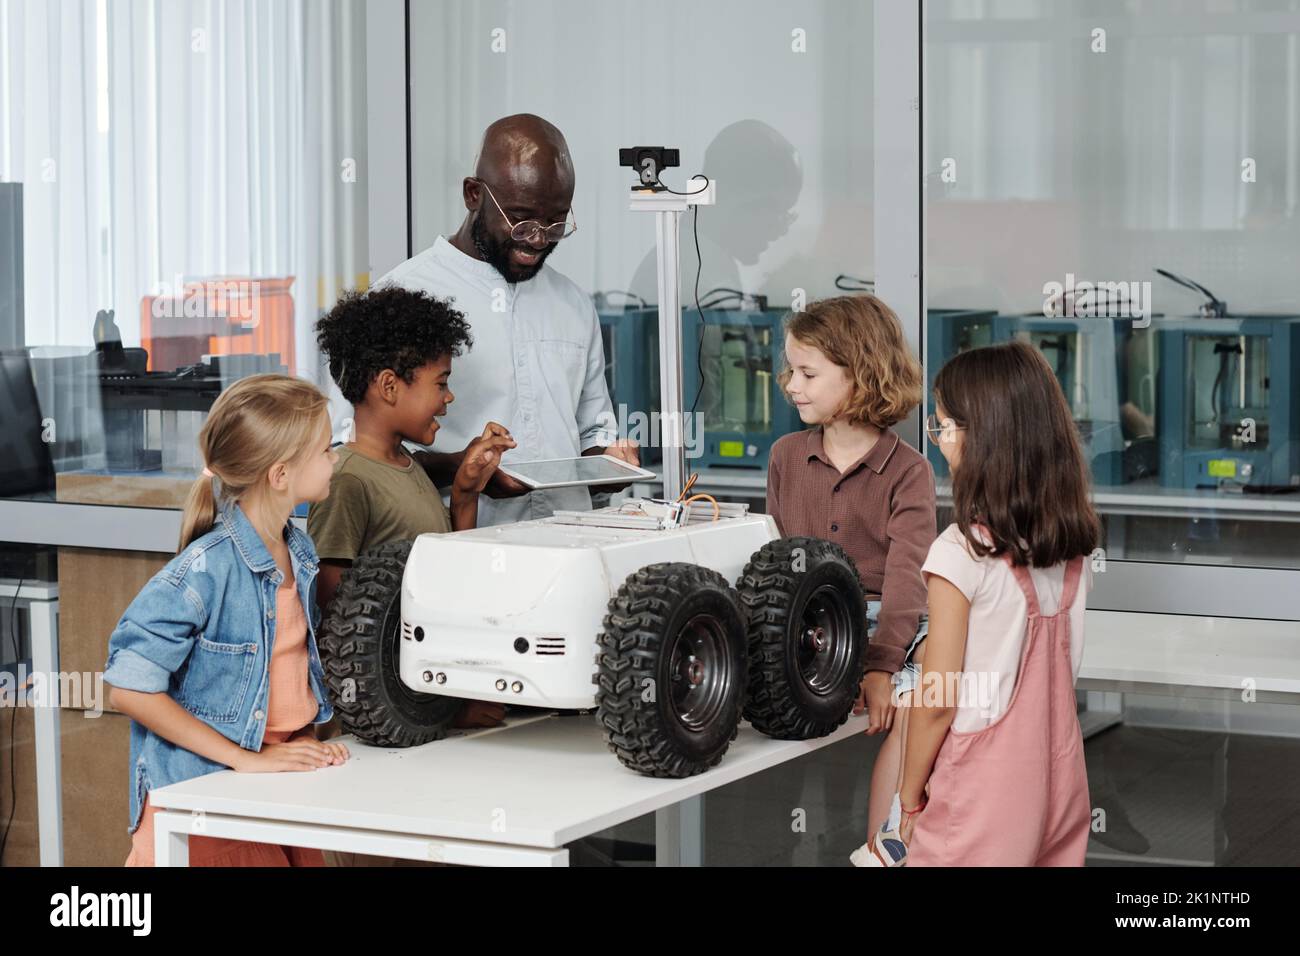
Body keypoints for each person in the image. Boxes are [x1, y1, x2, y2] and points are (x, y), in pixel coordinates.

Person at [104, 374, 347, 866]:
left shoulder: (299, 551)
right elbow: (128, 689)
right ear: (280, 476)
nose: (336, 458)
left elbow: (278, 677)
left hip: (272, 787)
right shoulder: (203, 570)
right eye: (326, 449)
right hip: (207, 800)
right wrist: (245, 759)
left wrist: (306, 742)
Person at [368, 113, 638, 525]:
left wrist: (608, 462)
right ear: (474, 194)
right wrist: (466, 468)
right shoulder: (402, 296)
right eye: (521, 218)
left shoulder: (573, 303)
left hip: (569, 542)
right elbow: (357, 455)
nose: (538, 238)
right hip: (458, 549)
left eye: (556, 222)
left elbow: (591, 432)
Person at [900, 341, 1100, 866]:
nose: (940, 442)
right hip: (1060, 776)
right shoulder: (1072, 547)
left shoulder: (962, 551)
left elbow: (938, 698)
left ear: (984, 436)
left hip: (982, 790)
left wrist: (908, 793)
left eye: (944, 426)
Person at [762, 294, 936, 867]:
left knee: (915, 702)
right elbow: (775, 560)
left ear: (861, 376)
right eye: (791, 370)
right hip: (810, 619)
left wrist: (881, 666)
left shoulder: (909, 470)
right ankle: (774, 843)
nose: (792, 384)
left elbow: (909, 579)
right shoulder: (786, 455)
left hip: (891, 624)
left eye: (808, 372)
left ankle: (886, 847)